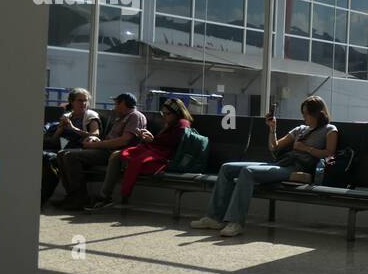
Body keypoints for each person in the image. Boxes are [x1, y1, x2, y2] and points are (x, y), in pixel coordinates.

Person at [191, 95, 338, 238]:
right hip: (282, 163)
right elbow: (274, 147)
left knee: (248, 172)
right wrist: (272, 128)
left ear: (317, 114)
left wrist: (305, 148)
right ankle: (214, 218)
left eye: (307, 113)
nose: (304, 117)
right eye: (303, 113)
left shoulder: (329, 129)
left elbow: (329, 153)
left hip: (296, 169)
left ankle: (236, 222)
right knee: (227, 168)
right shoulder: (300, 129)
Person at [89, 97, 191, 208]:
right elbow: (161, 141)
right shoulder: (172, 123)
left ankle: (106, 196)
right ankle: (108, 196)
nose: (165, 117)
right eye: (163, 114)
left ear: (177, 113)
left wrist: (152, 140)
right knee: (116, 156)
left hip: (163, 157)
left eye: (167, 114)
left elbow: (171, 143)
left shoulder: (182, 124)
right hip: (155, 151)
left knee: (117, 157)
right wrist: (150, 137)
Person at [55, 92, 146, 210]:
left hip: (114, 154)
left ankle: (80, 197)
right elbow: (111, 139)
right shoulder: (122, 118)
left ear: (123, 103)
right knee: (61, 154)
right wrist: (95, 139)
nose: (114, 107)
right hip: (104, 149)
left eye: (116, 103)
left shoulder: (135, 116)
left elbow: (124, 141)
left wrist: (96, 145)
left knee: (69, 156)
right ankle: (72, 195)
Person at [43, 89, 101, 206]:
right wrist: (60, 129)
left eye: (86, 101)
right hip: (66, 148)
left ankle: (77, 196)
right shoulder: (68, 116)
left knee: (62, 157)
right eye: (80, 101)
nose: (83, 104)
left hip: (83, 149)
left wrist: (73, 128)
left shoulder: (91, 116)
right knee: (48, 157)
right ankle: (68, 196)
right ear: (72, 102)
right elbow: (54, 140)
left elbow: (95, 134)